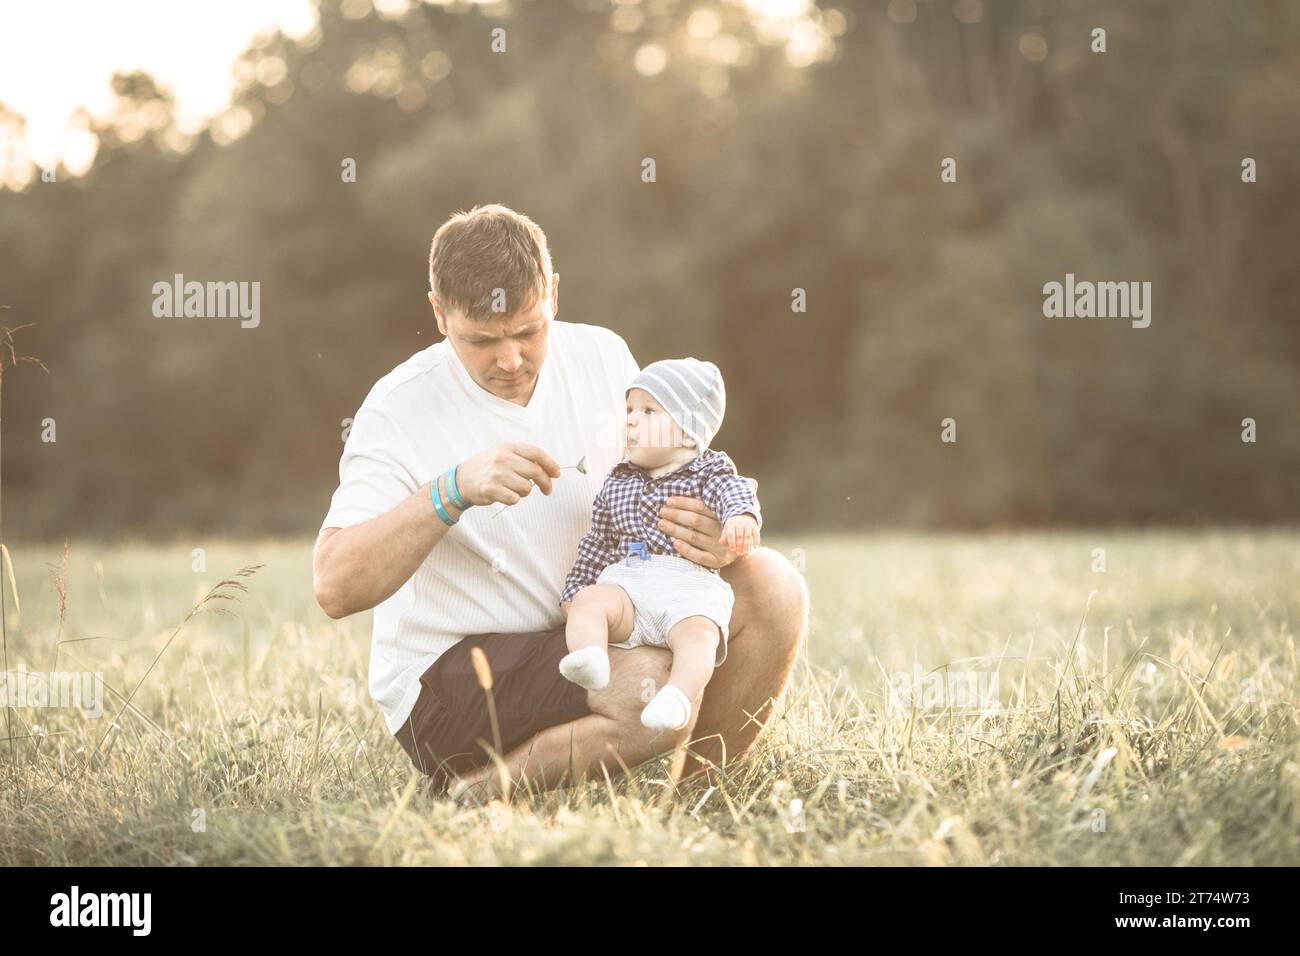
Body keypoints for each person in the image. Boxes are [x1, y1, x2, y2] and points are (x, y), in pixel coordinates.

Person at [312, 204, 807, 799]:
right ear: (439, 314)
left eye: (528, 331)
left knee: (774, 584)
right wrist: (454, 489)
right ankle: (471, 795)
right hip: (448, 681)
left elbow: (670, 479)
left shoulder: (602, 358)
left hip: (592, 626)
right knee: (648, 681)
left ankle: (696, 800)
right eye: (481, 340)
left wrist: (714, 536)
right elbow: (335, 588)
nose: (510, 360)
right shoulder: (397, 408)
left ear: (553, 294)